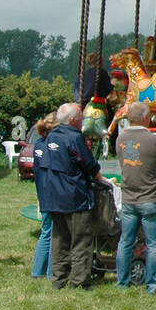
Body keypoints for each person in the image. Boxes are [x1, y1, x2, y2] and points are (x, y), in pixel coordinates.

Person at [33, 103, 105, 289]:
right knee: (81, 239)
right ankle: (79, 281)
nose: (83, 120)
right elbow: (87, 164)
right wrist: (100, 177)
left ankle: (58, 279)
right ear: (73, 120)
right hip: (74, 196)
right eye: (81, 116)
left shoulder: (49, 138)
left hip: (53, 197)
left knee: (59, 239)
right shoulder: (73, 137)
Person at [114, 101, 156, 295]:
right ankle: (153, 284)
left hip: (129, 198)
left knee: (125, 241)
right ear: (146, 117)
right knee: (154, 243)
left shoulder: (120, 139)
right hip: (150, 198)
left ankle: (122, 282)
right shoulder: (153, 139)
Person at [29, 112, 58, 279]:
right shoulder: (53, 145)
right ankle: (51, 272)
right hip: (54, 192)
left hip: (42, 191)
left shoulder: (38, 144)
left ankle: (37, 271)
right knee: (56, 232)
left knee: (46, 231)